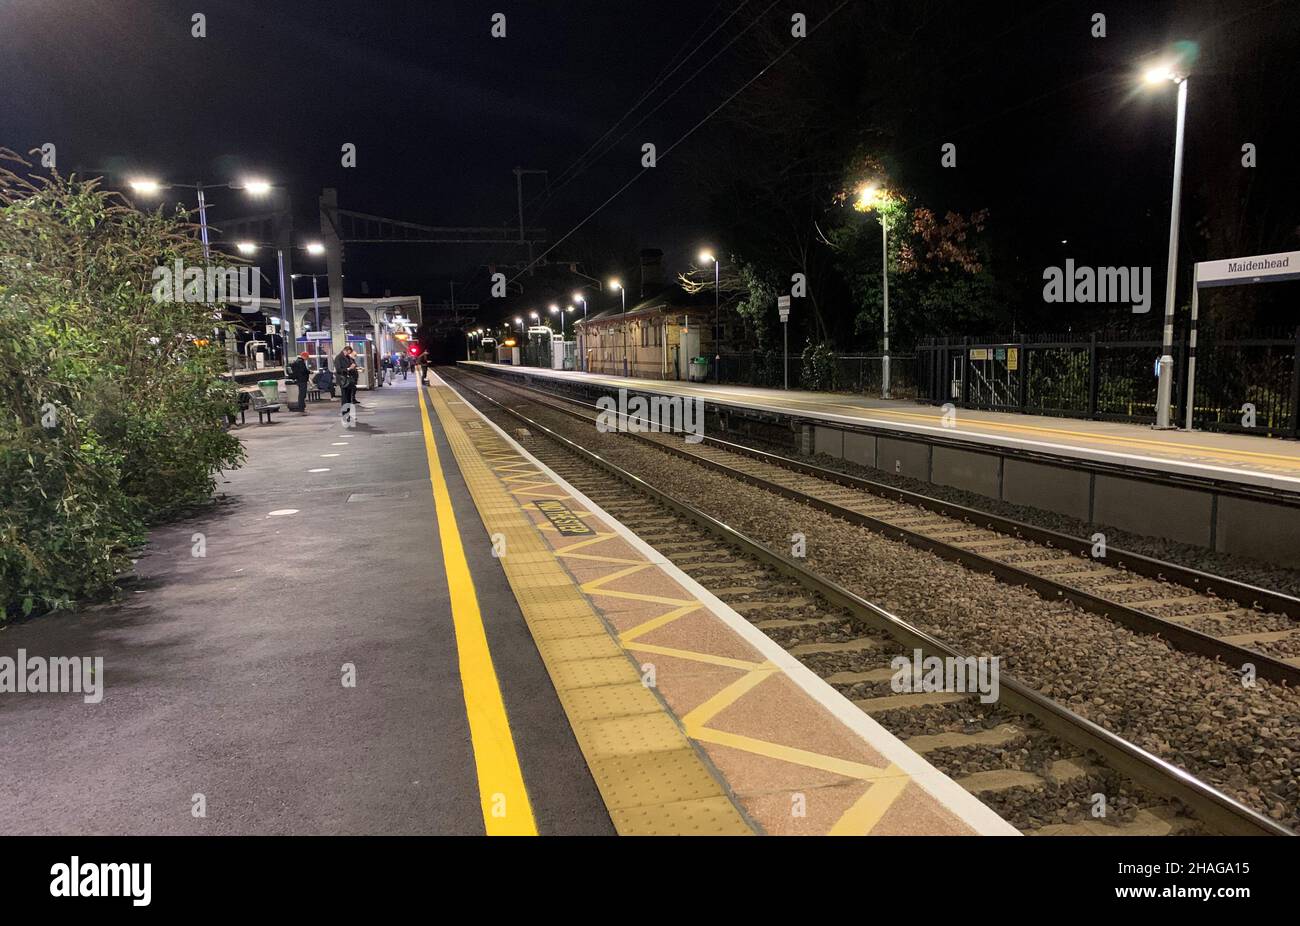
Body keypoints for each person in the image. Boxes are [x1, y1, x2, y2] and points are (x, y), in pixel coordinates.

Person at [335, 345, 360, 415]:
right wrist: (349, 368)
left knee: (349, 395)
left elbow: (351, 364)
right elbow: (338, 369)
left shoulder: (347, 357)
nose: (348, 354)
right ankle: (344, 411)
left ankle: (348, 410)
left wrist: (354, 367)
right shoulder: (338, 358)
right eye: (348, 352)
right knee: (344, 395)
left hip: (349, 379)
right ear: (345, 350)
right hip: (343, 379)